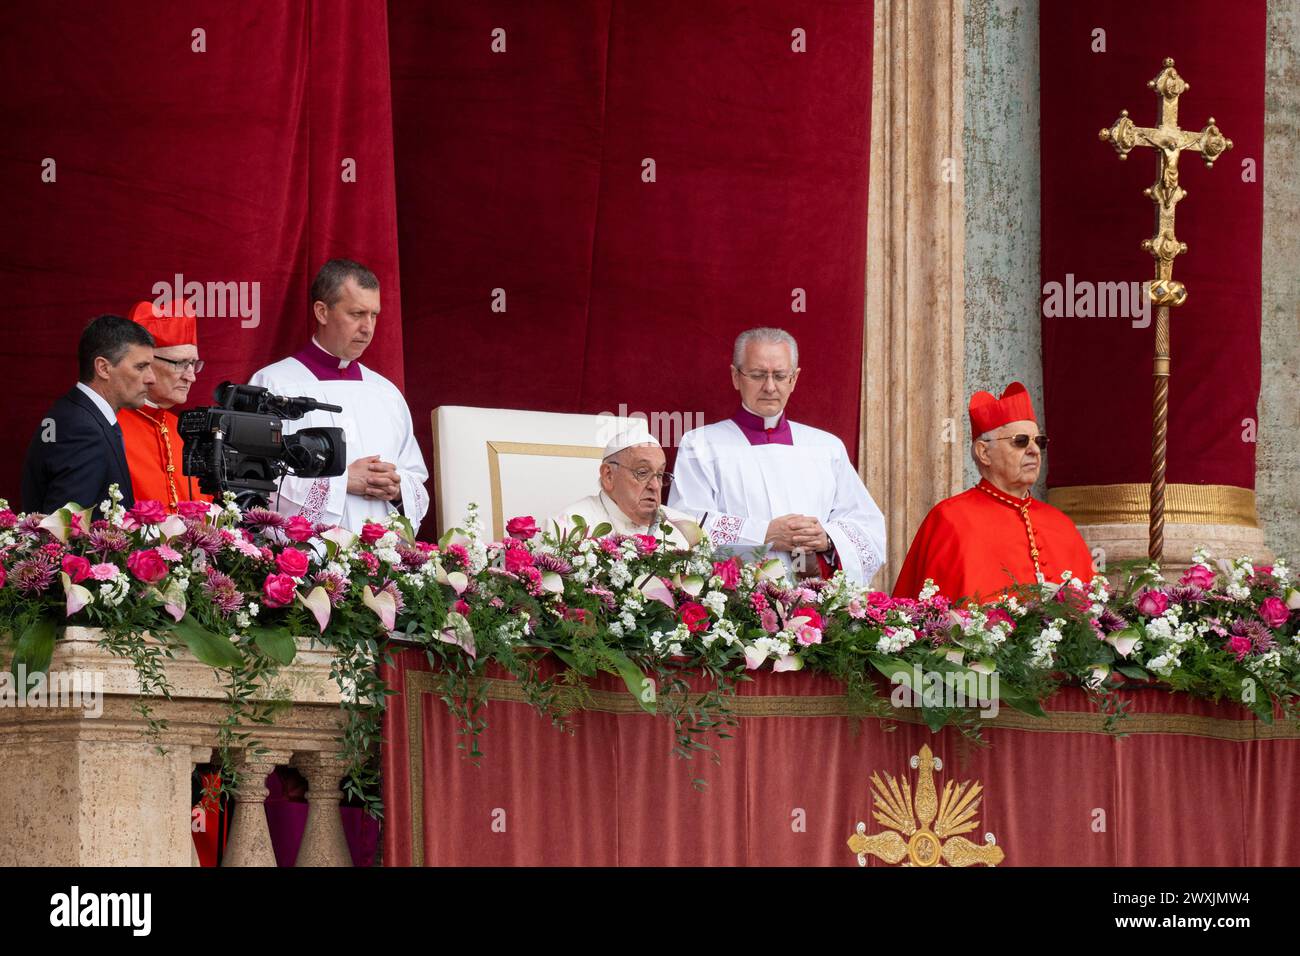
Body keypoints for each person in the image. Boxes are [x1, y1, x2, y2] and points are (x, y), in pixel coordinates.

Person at [668, 327, 886, 583]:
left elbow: (868, 528)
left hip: (815, 602)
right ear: (736, 376)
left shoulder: (827, 448)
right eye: (758, 375)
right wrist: (764, 534)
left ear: (794, 379)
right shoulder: (701, 446)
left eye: (780, 375)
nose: (770, 387)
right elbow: (686, 526)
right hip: (737, 604)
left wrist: (826, 538)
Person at [249, 259, 429, 531]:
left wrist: (397, 487)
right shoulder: (273, 385)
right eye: (356, 314)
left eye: (374, 315)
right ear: (322, 312)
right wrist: (343, 481)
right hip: (304, 562)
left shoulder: (386, 393)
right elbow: (258, 481)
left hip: (382, 562)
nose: (368, 328)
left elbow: (416, 478)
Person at [892, 381, 1094, 602]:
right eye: (1020, 441)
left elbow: (1093, 614)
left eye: (1039, 442)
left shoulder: (1061, 524)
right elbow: (925, 621)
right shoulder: (950, 520)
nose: (1034, 450)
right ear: (984, 453)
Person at [21, 314, 155, 514]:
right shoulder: (82, 428)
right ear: (103, 368)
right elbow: (66, 532)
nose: (151, 378)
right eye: (141, 367)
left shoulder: (76, 414)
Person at [118, 299, 211, 511]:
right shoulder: (109, 427)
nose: (191, 377)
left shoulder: (185, 431)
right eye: (180, 363)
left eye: (193, 364)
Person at [550, 424, 696, 547]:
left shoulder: (687, 531)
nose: (655, 486)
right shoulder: (566, 528)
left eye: (659, 475)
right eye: (643, 472)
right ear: (608, 475)